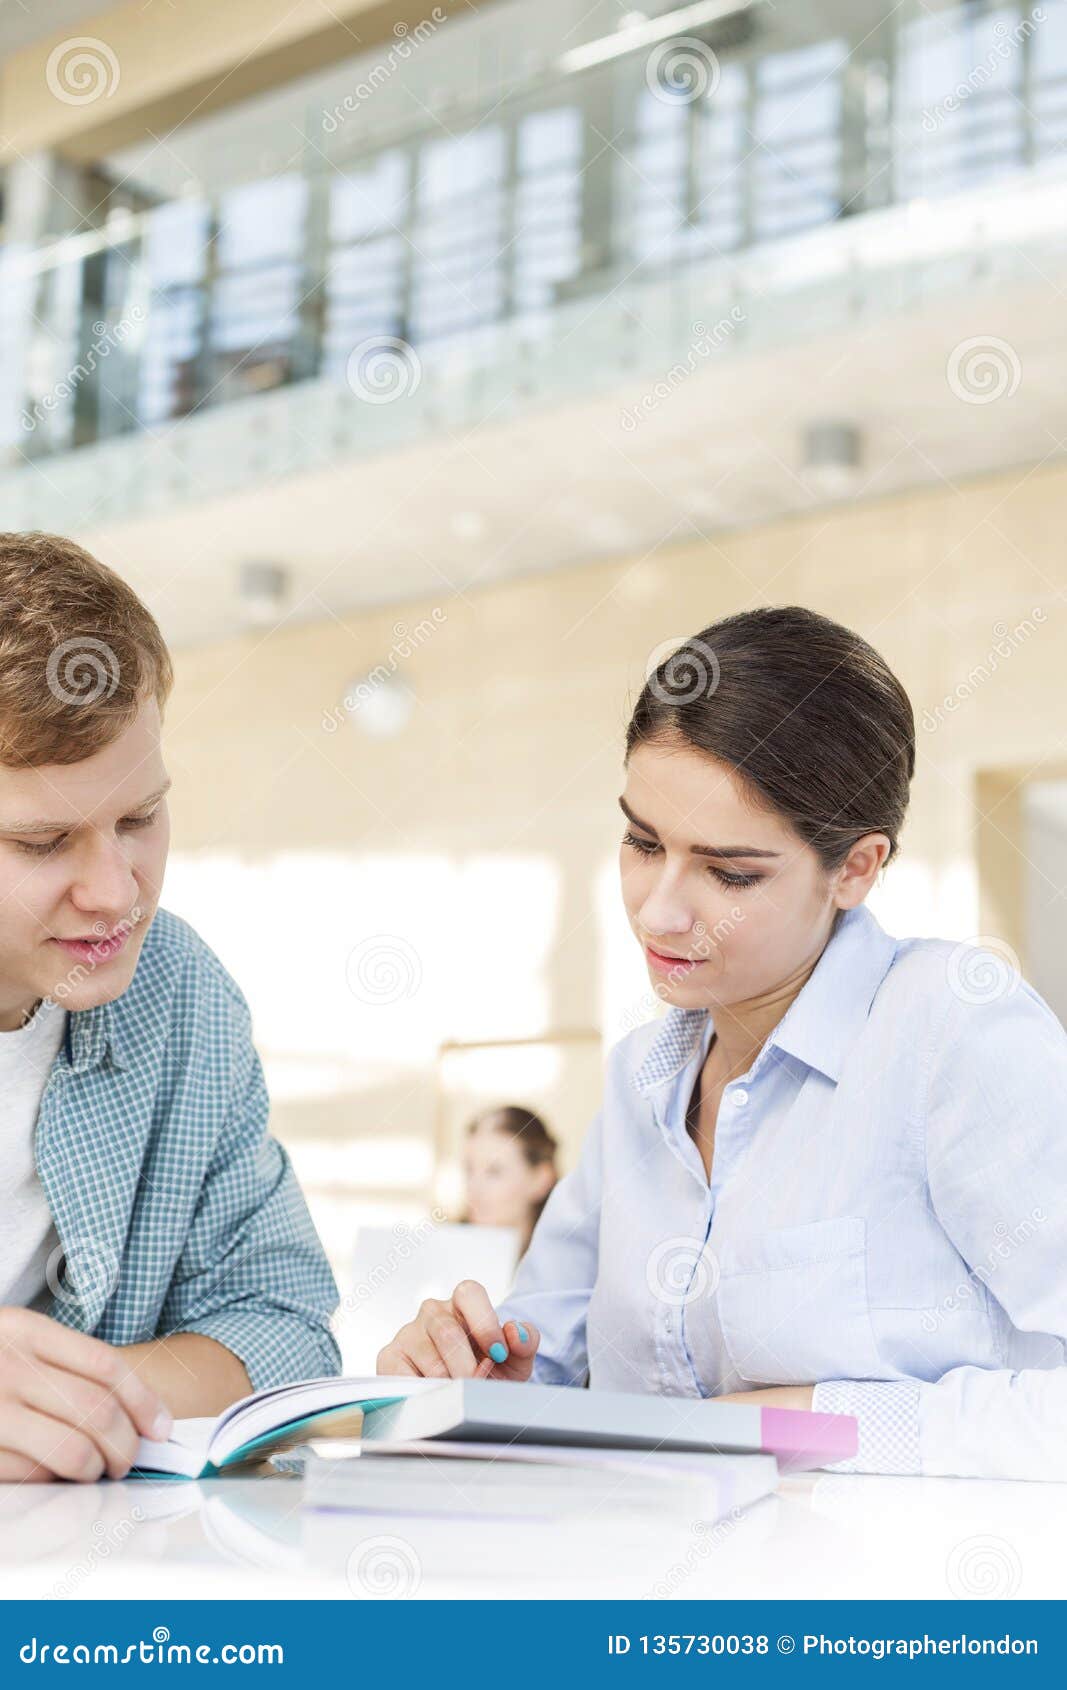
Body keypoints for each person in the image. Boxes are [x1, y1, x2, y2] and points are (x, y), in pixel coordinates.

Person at [377, 605, 1067, 1482]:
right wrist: (473, 1383)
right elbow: (543, 1363)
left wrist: (814, 1419)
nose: (657, 910)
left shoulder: (950, 1031)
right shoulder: (641, 1079)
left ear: (853, 868)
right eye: (640, 842)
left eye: (729, 872)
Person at [0, 532, 339, 1484]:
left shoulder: (179, 996)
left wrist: (61, 1400)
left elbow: (283, 1332)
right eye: (42, 842)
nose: (117, 895)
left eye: (140, 819)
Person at [461, 1105, 559, 1258]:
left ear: (542, 1180)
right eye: (469, 1170)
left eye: (494, 1171)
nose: (473, 1187)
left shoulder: (566, 1263)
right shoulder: (444, 1252)